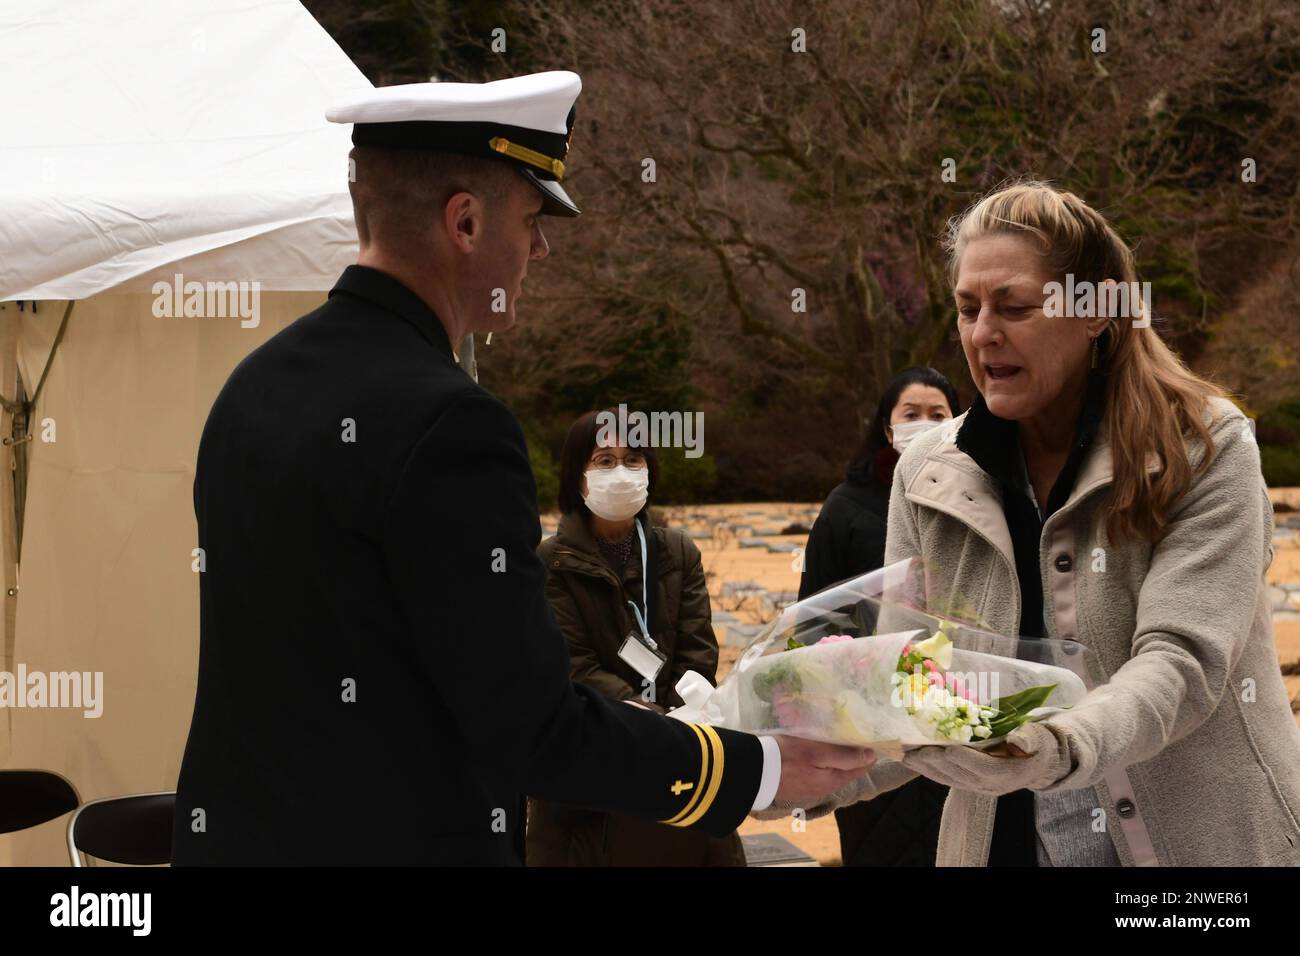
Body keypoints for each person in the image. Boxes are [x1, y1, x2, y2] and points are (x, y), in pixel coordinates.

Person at [171, 72, 874, 865]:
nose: (540, 247)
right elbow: (531, 727)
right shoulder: (451, 424)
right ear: (465, 221)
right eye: (534, 218)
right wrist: (761, 767)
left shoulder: (250, 386)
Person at [778, 180, 1300, 866]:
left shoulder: (1205, 446)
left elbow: (1183, 663)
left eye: (1014, 306)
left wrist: (1052, 748)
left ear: (1095, 313)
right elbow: (910, 692)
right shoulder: (927, 472)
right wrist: (775, 766)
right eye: (967, 309)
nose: (982, 332)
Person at [527, 412, 745, 865]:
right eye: (604, 460)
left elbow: (698, 649)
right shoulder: (554, 560)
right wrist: (647, 722)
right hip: (598, 744)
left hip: (682, 737)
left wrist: (680, 716)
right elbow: (576, 665)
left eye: (632, 459)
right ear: (577, 475)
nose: (621, 473)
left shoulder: (677, 550)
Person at [799, 367, 959, 866]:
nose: (925, 424)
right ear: (887, 429)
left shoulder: (977, 501)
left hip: (958, 711)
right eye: (911, 415)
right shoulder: (844, 509)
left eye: (939, 414)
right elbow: (813, 620)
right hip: (871, 717)